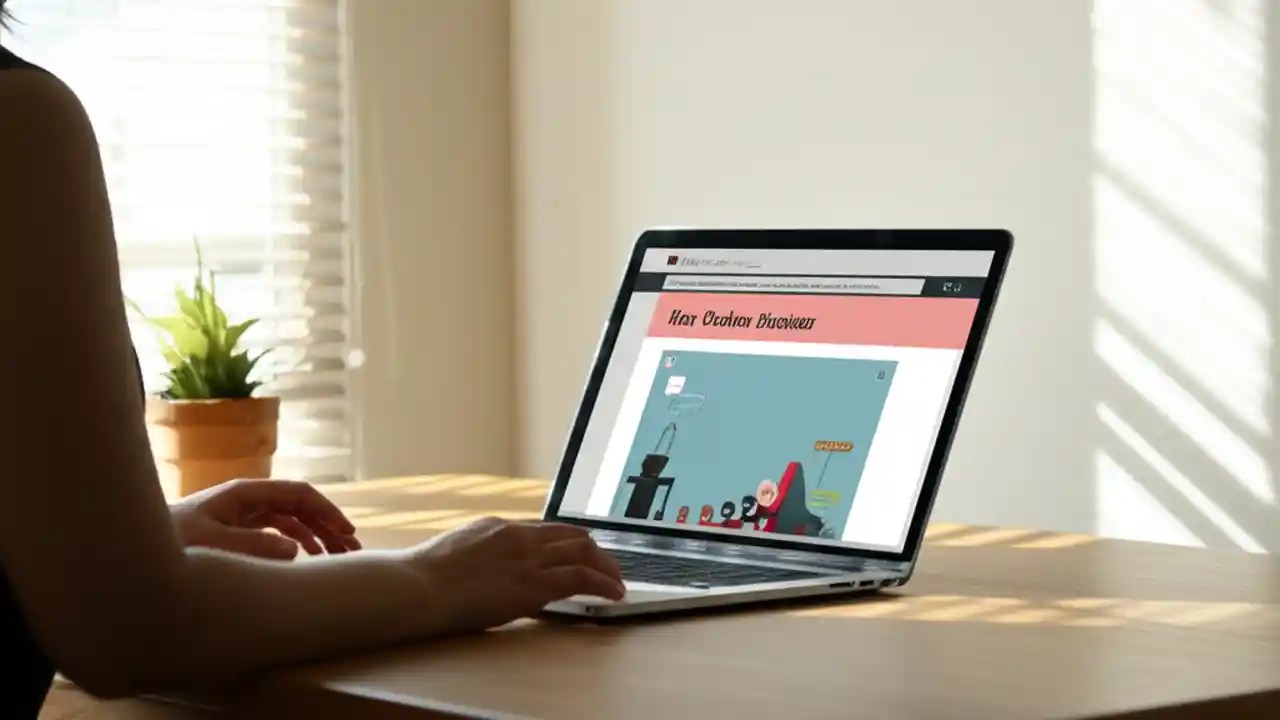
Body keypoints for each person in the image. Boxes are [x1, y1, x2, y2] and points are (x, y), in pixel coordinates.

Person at [0, 4, 624, 716]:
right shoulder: (17, 120)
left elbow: (101, 598)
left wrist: (118, 539)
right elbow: (131, 627)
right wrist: (439, 578)